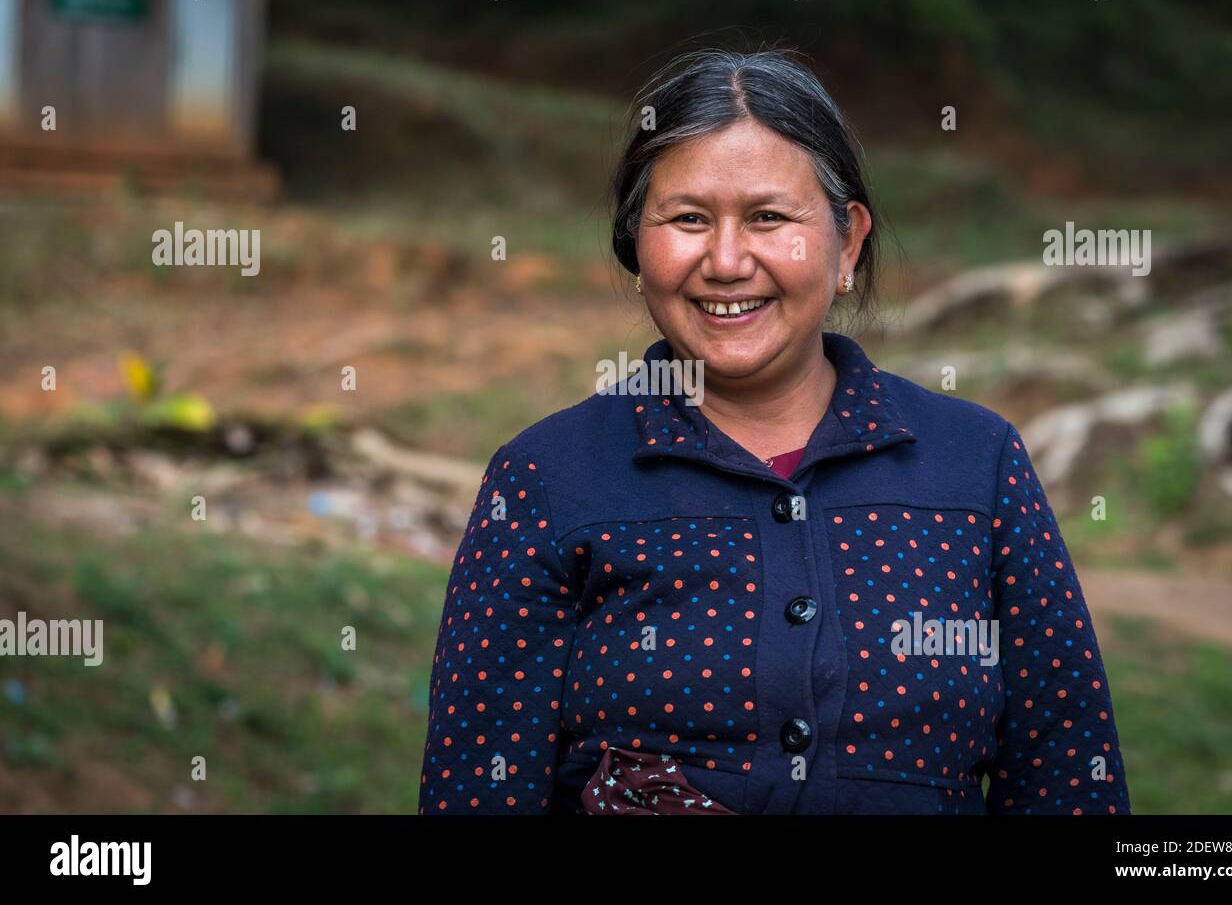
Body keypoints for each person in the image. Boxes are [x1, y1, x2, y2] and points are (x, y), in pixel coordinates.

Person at [418, 48, 1130, 814]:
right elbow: (473, 790)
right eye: (688, 219)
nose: (726, 261)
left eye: (768, 218)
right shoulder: (545, 480)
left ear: (847, 241)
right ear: (637, 243)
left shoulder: (977, 464)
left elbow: (1068, 776)